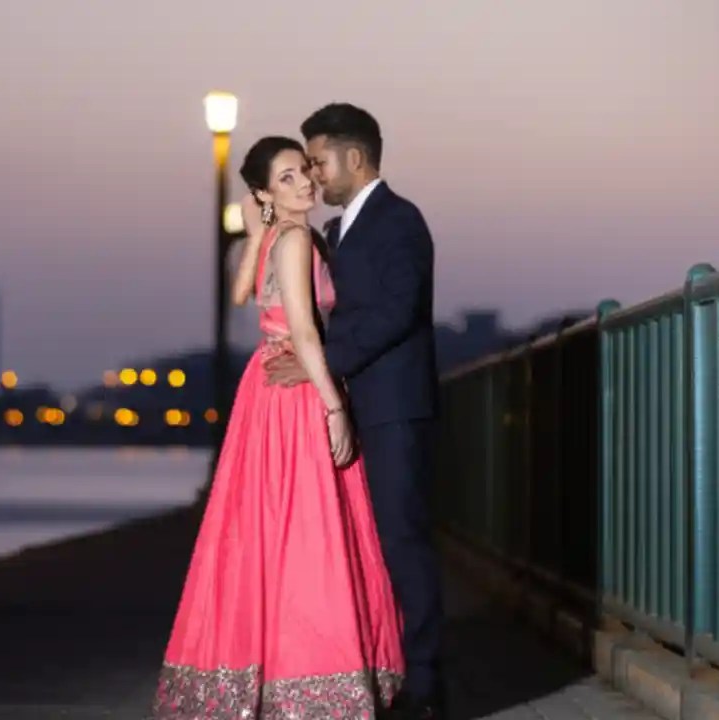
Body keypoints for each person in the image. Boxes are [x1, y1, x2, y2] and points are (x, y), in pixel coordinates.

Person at [150, 136, 404, 719]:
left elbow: (243, 293)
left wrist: (253, 225)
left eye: (303, 171)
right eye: (286, 178)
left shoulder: (277, 236)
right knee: (308, 531)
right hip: (295, 393)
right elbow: (306, 332)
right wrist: (335, 407)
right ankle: (310, 680)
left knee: (269, 529)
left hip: (265, 389)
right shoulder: (295, 240)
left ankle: (269, 681)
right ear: (265, 191)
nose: (305, 182)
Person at [264, 103, 445, 719]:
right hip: (351, 408)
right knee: (366, 549)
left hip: (394, 410)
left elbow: (398, 309)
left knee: (403, 543)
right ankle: (384, 676)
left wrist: (325, 361)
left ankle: (427, 691)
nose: (314, 174)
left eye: (318, 162)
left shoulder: (400, 220)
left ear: (356, 158)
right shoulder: (336, 232)